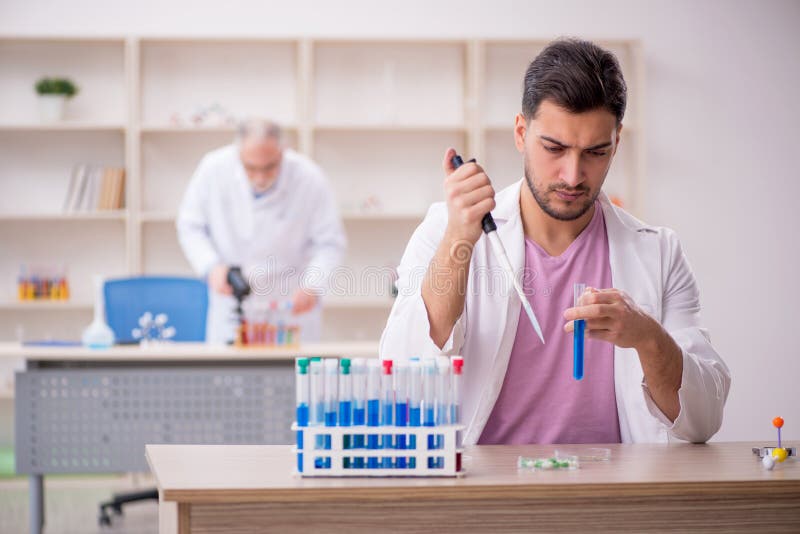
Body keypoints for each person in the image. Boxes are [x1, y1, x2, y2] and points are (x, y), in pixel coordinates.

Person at [380, 39, 730, 446]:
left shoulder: (658, 253)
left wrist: (646, 337)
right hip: (486, 499)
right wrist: (459, 239)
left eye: (595, 152)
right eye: (554, 148)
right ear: (521, 132)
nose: (572, 175)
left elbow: (703, 420)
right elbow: (401, 377)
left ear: (616, 143)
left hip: (612, 499)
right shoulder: (447, 229)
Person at [177, 119, 346, 343]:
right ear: (238, 154)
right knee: (230, 376)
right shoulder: (213, 170)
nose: (260, 177)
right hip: (231, 303)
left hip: (290, 305)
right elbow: (190, 226)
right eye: (251, 168)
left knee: (293, 376)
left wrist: (313, 285)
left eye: (269, 167)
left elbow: (329, 243)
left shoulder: (309, 178)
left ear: (282, 152)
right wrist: (211, 267)